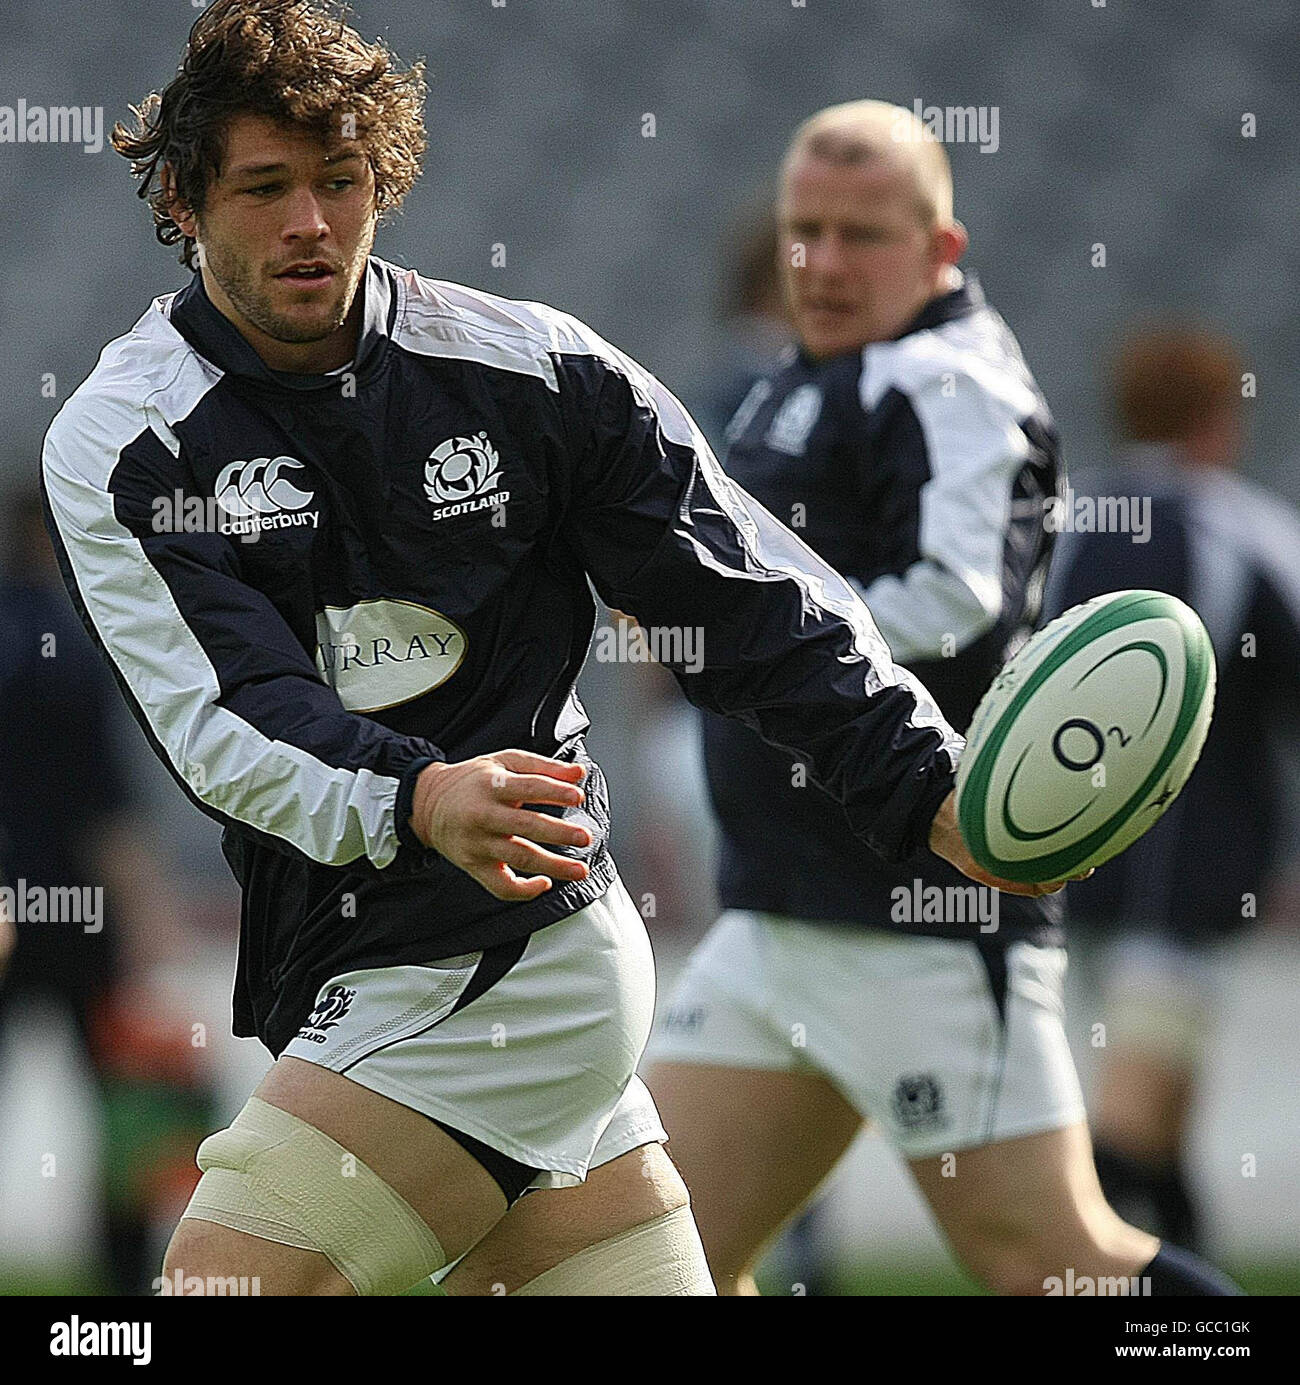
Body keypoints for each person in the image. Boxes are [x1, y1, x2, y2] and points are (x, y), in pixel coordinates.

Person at [41, 3, 1049, 1297]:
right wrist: (414, 793)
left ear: (382, 182)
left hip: (508, 957)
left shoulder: (534, 372)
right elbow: (230, 718)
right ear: (183, 200)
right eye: (264, 188)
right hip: (371, 958)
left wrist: (924, 785)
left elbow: (745, 594)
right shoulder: (128, 439)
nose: (309, 223)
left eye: (340, 181)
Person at [448, 100, 1244, 1298]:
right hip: (780, 921)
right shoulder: (802, 378)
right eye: (801, 231)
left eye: (860, 233)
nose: (821, 262)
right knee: (611, 1269)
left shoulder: (949, 380)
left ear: (941, 249)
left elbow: (960, 597)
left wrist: (749, 638)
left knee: (1060, 1264)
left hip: (917, 920)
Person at [1042, 325, 1300, 1253]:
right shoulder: (1247, 532)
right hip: (1190, 881)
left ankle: (1186, 1296)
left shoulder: (1063, 530)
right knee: (1130, 1137)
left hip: (1065, 869)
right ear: (1219, 419)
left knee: (1156, 1118)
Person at [0, 484, 209, 1293]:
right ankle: (123, 1280)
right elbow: (105, 806)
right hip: (76, 910)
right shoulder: (72, 647)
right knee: (120, 1100)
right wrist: (151, 917)